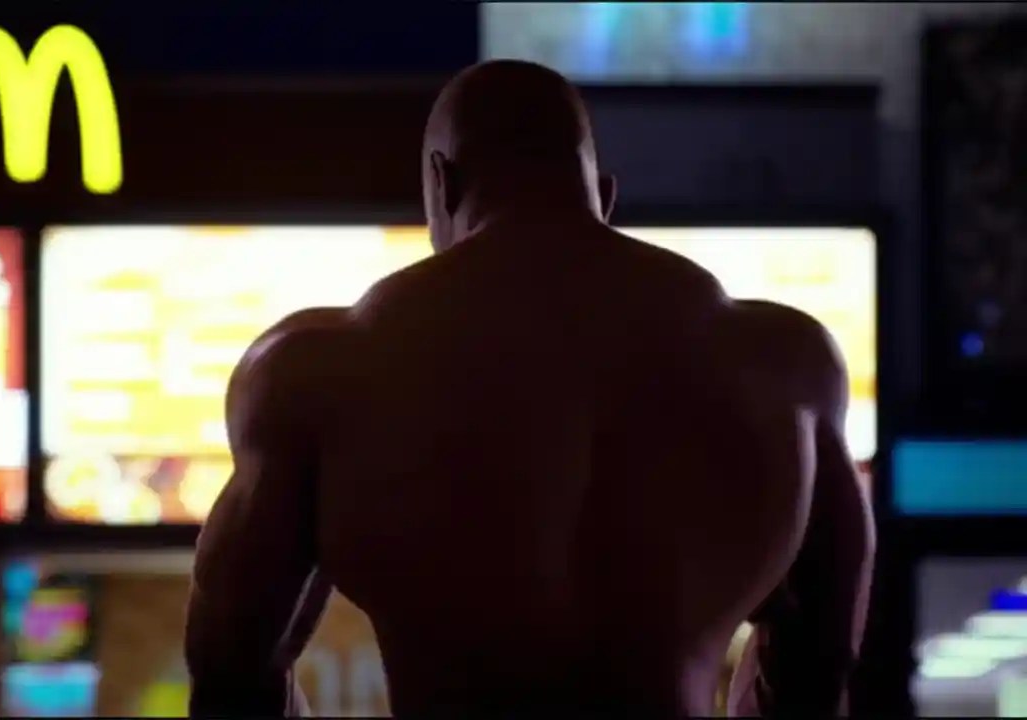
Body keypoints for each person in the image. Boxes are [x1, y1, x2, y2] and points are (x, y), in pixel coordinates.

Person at [184, 59, 876, 717]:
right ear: (604, 196)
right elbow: (818, 671)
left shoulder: (314, 368)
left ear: (441, 184)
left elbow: (232, 671)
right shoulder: (787, 365)